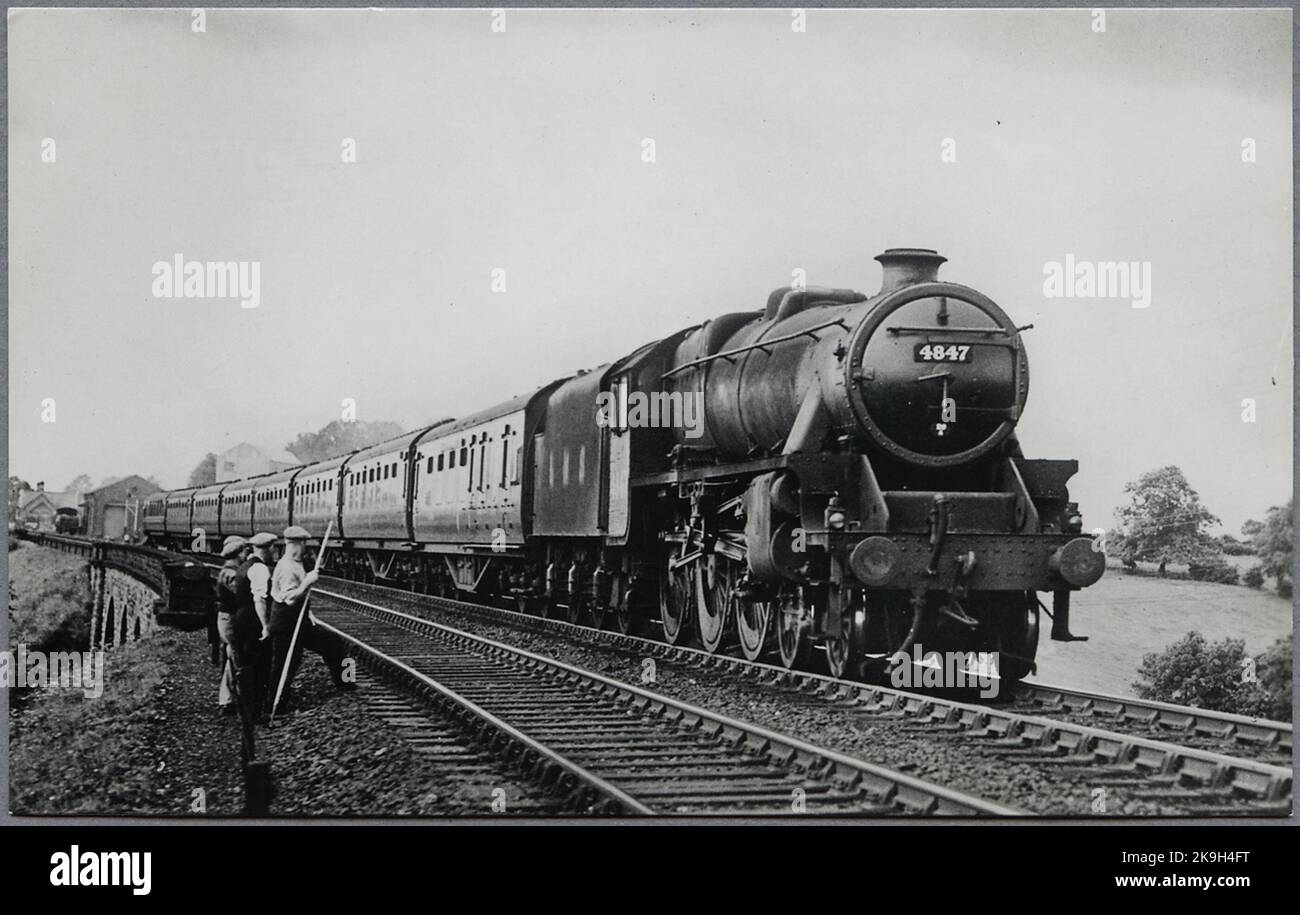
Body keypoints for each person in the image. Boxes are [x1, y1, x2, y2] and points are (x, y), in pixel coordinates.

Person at [266, 525, 352, 717]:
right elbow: (289, 598)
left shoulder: (295, 562)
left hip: (300, 620)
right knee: (286, 665)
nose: (306, 547)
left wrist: (309, 613)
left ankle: (347, 683)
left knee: (334, 642)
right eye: (304, 543)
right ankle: (275, 708)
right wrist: (307, 582)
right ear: (297, 544)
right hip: (287, 624)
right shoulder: (288, 567)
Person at [236, 532, 277, 721]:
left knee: (246, 665)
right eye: (273, 548)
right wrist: (265, 626)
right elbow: (259, 600)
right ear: (267, 548)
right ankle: (254, 713)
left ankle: (245, 709)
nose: (275, 552)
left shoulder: (243, 566)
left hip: (241, 621)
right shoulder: (260, 569)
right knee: (260, 668)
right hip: (254, 624)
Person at [215, 535, 248, 715]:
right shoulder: (229, 573)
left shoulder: (232, 570)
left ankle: (226, 700)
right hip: (228, 621)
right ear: (237, 553)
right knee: (237, 659)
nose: (246, 554)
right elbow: (242, 592)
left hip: (228, 619)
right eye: (244, 551)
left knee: (232, 659)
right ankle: (236, 701)